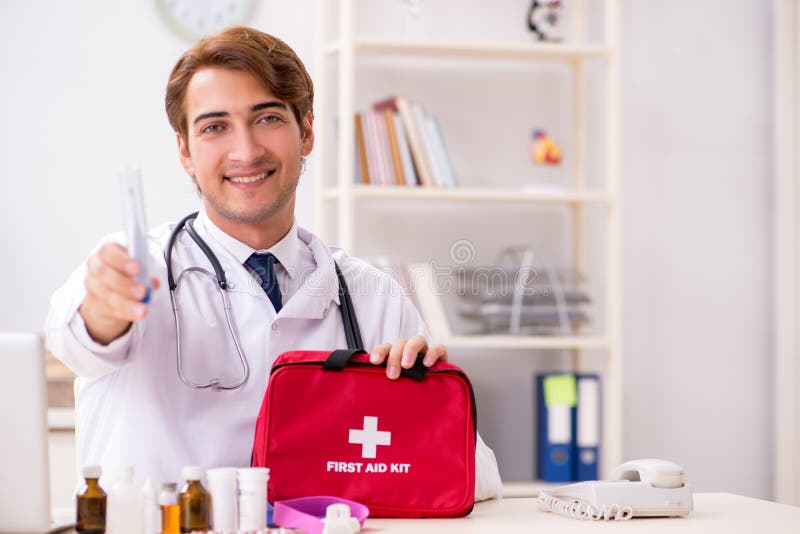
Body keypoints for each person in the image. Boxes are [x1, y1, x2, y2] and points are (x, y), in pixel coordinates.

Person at [46, 26, 502, 501]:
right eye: (214, 126)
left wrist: (423, 402)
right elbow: (78, 340)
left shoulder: (372, 296)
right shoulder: (133, 269)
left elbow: (480, 478)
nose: (245, 151)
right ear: (185, 150)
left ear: (306, 131)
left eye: (266, 118)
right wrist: (105, 313)